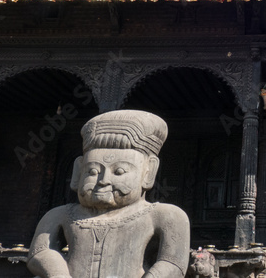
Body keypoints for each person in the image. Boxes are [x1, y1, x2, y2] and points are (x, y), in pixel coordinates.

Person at [28, 110, 190, 278]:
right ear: (78, 171)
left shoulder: (166, 215)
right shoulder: (60, 214)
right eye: (92, 171)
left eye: (119, 171)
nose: (103, 180)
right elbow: (39, 252)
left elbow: (172, 263)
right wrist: (58, 273)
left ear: (148, 172)